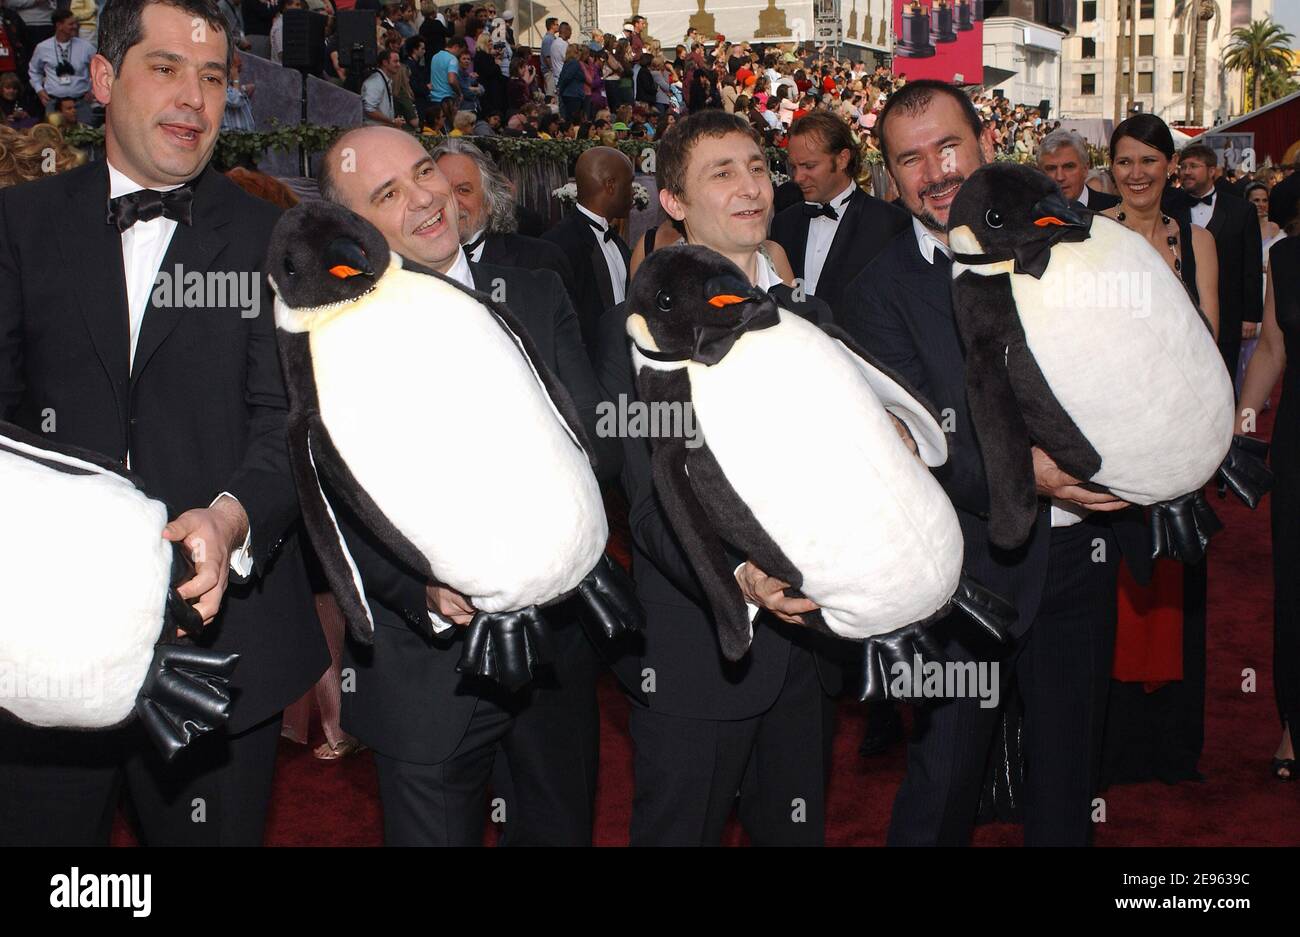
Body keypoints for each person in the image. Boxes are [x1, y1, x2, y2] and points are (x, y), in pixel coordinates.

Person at [0, 0, 327, 846]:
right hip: (43, 642)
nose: (193, 97)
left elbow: (288, 428)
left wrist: (230, 519)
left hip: (219, 654)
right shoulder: (19, 224)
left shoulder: (273, 238)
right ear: (103, 79)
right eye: (167, 68)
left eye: (213, 77)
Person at [840, 79, 1151, 846]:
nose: (936, 172)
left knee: (1067, 778)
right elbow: (916, 450)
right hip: (963, 580)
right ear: (889, 176)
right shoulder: (874, 294)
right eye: (911, 159)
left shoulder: (1062, 243)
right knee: (944, 779)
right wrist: (1032, 478)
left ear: (984, 144)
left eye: (948, 146)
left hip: (1082, 550)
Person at [315, 125, 621, 845]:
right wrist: (416, 583)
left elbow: (598, 448)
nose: (425, 197)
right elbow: (332, 501)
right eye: (388, 194)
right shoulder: (328, 330)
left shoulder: (537, 290)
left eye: (424, 171)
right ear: (352, 227)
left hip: (553, 645)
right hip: (425, 668)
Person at [594, 110, 848, 845]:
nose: (751, 187)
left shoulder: (814, 317)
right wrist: (733, 571)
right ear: (673, 203)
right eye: (722, 172)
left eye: (758, 167)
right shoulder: (633, 335)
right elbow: (646, 506)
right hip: (695, 657)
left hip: (810, 651)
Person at [1087, 114, 1218, 787]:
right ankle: (1107, 745)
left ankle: (1168, 746)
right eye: (1124, 161)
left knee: (1171, 588)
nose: (1136, 173)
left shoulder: (1196, 243)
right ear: (1110, 169)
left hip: (1178, 444)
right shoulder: (1088, 237)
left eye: (1149, 160)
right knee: (1112, 592)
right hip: (1108, 443)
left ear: (1172, 166)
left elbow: (1211, 342)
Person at [1238, 186, 1300, 781]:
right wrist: (1239, 425)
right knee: (1294, 583)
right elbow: (1273, 349)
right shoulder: (1285, 258)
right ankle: (1294, 723)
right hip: (1298, 443)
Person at [769, 110, 909, 319]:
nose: (798, 177)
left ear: (842, 159)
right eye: (794, 167)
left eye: (809, 166)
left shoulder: (890, 224)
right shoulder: (783, 223)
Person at [432, 137, 576, 299]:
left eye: (463, 190)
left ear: (490, 202)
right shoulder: (408, 267)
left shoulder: (539, 263)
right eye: (441, 190)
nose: (451, 202)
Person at [1168, 143, 1262, 383]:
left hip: (1229, 313)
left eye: (1194, 166)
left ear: (1213, 171)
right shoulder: (1169, 208)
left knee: (1224, 379)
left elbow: (1250, 265)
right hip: (1182, 312)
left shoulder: (1241, 210)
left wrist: (1251, 316)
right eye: (1184, 166)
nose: (1187, 171)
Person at [541, 145, 631, 363]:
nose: (632, 191)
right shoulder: (557, 245)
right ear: (610, 186)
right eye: (628, 183)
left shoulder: (618, 243)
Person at [27, 9, 94, 124]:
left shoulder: (86, 47)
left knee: (85, 138)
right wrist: (39, 90)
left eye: (75, 23)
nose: (75, 26)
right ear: (59, 25)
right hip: (54, 103)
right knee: (54, 138)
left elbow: (99, 68)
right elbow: (34, 71)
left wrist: (93, 90)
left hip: (80, 103)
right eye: (71, 24)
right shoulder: (42, 47)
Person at [1037, 128, 1119, 210]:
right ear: (1040, 173)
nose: (1060, 177)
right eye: (1051, 169)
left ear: (1085, 169)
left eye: (1069, 167)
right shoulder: (1029, 213)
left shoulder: (1115, 209)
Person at [424, 32, 460, 127]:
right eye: (460, 52)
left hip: (433, 99)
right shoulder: (452, 59)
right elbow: (451, 80)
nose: (459, 56)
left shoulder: (435, 56)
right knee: (447, 130)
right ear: (456, 47)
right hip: (446, 101)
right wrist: (459, 93)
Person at [362, 47, 404, 126]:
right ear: (385, 62)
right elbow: (369, 109)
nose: (398, 65)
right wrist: (392, 121)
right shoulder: (375, 82)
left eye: (399, 61)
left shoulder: (383, 80)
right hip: (374, 131)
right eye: (395, 61)